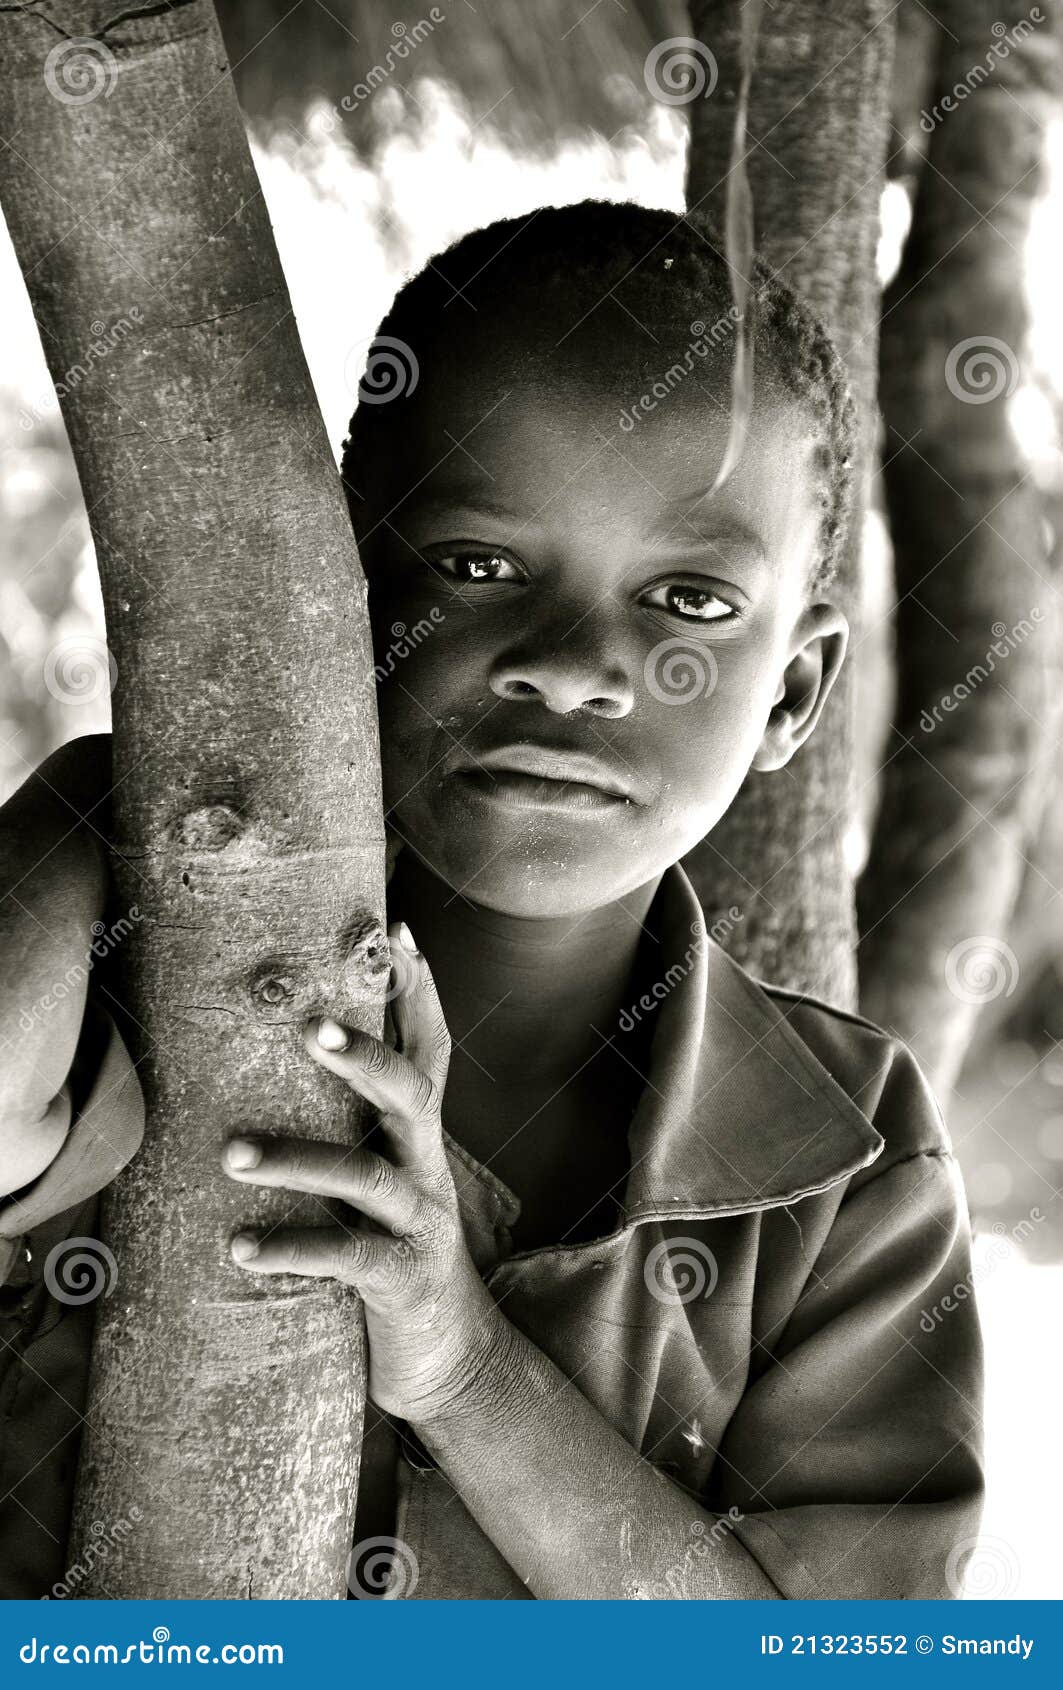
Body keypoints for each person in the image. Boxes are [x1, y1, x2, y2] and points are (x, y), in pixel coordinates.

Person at [0, 203, 984, 1601]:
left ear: (797, 688)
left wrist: (460, 1361)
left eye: (693, 601)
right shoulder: (140, 944)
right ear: (334, 592)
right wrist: (110, 790)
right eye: (475, 566)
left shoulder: (851, 1157)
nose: (577, 665)